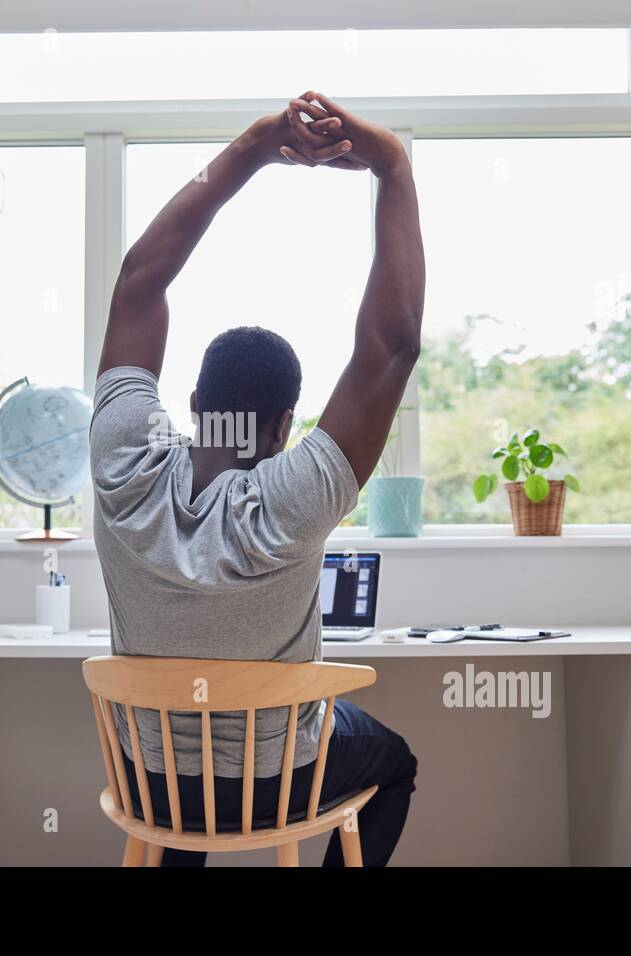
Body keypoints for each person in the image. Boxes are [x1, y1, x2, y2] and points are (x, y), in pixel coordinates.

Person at [90, 92, 425, 866]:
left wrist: (254, 147)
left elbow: (141, 280)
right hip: (281, 786)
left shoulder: (123, 462)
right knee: (394, 763)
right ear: (284, 429)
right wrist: (393, 167)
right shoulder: (295, 500)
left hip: (152, 785)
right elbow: (392, 347)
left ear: (191, 405)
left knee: (189, 775)